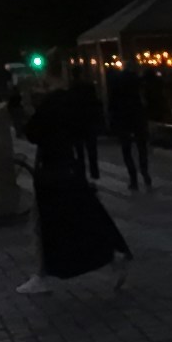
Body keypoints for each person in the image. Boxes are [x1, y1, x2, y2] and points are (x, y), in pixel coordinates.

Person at [20, 74, 131, 294]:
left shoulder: (51, 106)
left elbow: (32, 132)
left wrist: (29, 108)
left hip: (52, 173)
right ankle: (113, 255)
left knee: (46, 225)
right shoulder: (71, 105)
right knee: (84, 217)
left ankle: (43, 274)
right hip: (68, 169)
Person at [102, 62, 155, 192]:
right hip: (137, 116)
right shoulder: (136, 84)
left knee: (127, 150)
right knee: (141, 147)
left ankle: (133, 178)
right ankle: (144, 172)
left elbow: (112, 103)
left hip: (123, 118)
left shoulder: (116, 86)